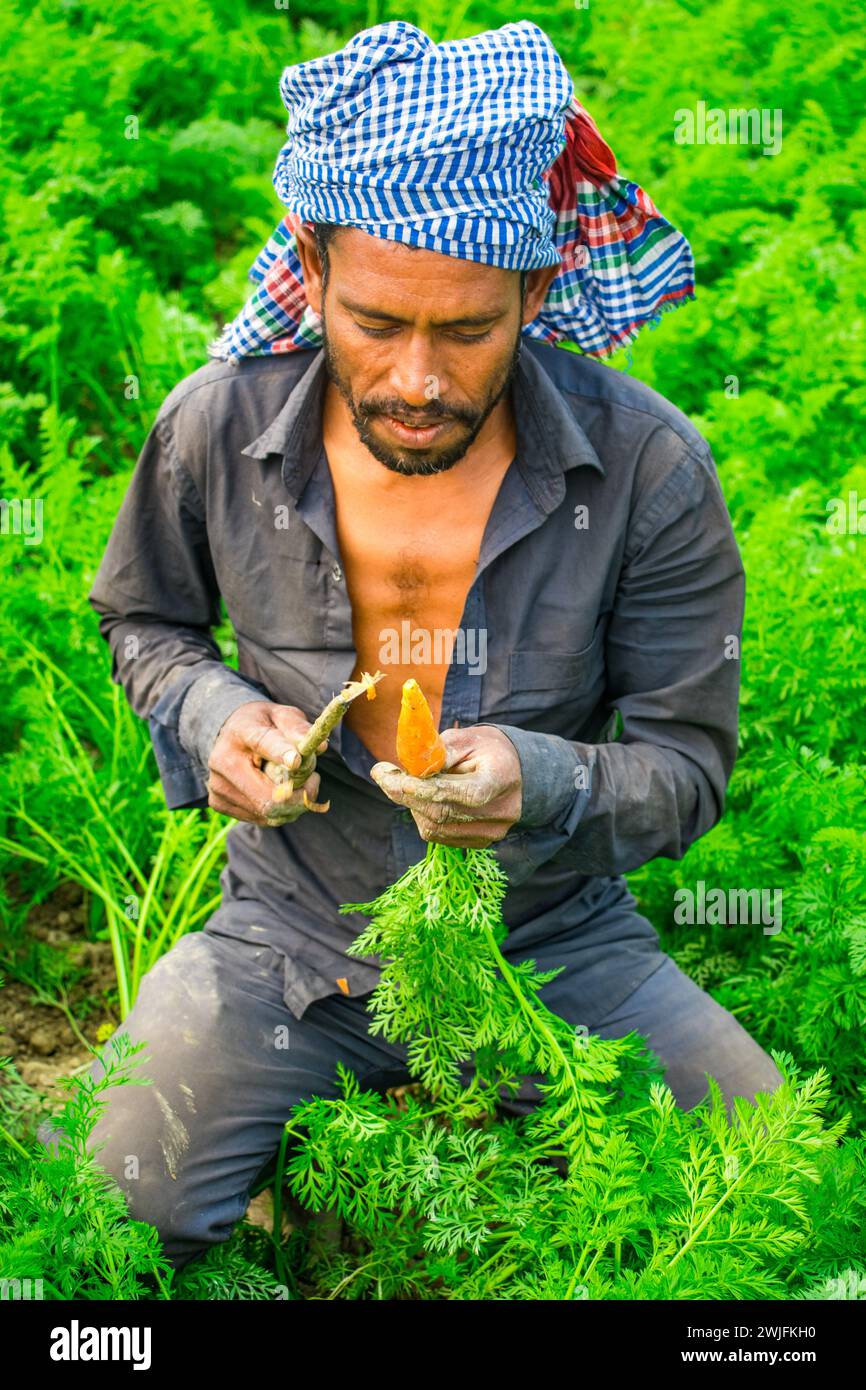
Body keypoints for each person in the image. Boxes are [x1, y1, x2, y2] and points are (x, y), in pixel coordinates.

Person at [38, 19, 782, 1270]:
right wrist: (215, 718)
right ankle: (298, 1138)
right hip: (287, 939)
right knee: (117, 1214)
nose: (418, 380)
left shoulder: (647, 469)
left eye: (468, 331)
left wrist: (538, 782)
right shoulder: (216, 431)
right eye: (376, 322)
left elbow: (683, 766)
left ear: (535, 294)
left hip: (549, 938)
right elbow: (147, 620)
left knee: (758, 1186)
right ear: (314, 269)